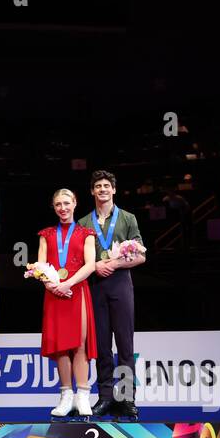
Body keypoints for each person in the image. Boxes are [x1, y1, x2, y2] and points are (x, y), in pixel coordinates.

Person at [78, 170, 146, 420]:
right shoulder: (84, 223)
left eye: (107, 185)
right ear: (92, 191)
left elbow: (141, 255)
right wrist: (96, 265)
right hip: (95, 286)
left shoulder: (128, 218)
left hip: (120, 285)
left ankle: (127, 399)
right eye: (98, 186)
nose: (103, 189)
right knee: (102, 346)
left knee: (125, 345)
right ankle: (105, 397)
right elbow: (78, 260)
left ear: (114, 190)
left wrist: (114, 264)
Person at [37, 189, 97, 417]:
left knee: (79, 345)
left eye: (66, 203)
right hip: (54, 293)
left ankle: (83, 395)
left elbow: (90, 264)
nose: (63, 208)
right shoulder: (46, 234)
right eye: (58, 204)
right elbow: (40, 265)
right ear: (53, 207)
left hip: (77, 291)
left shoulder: (86, 233)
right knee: (61, 346)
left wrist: (68, 283)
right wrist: (50, 285)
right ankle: (65, 396)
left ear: (75, 203)